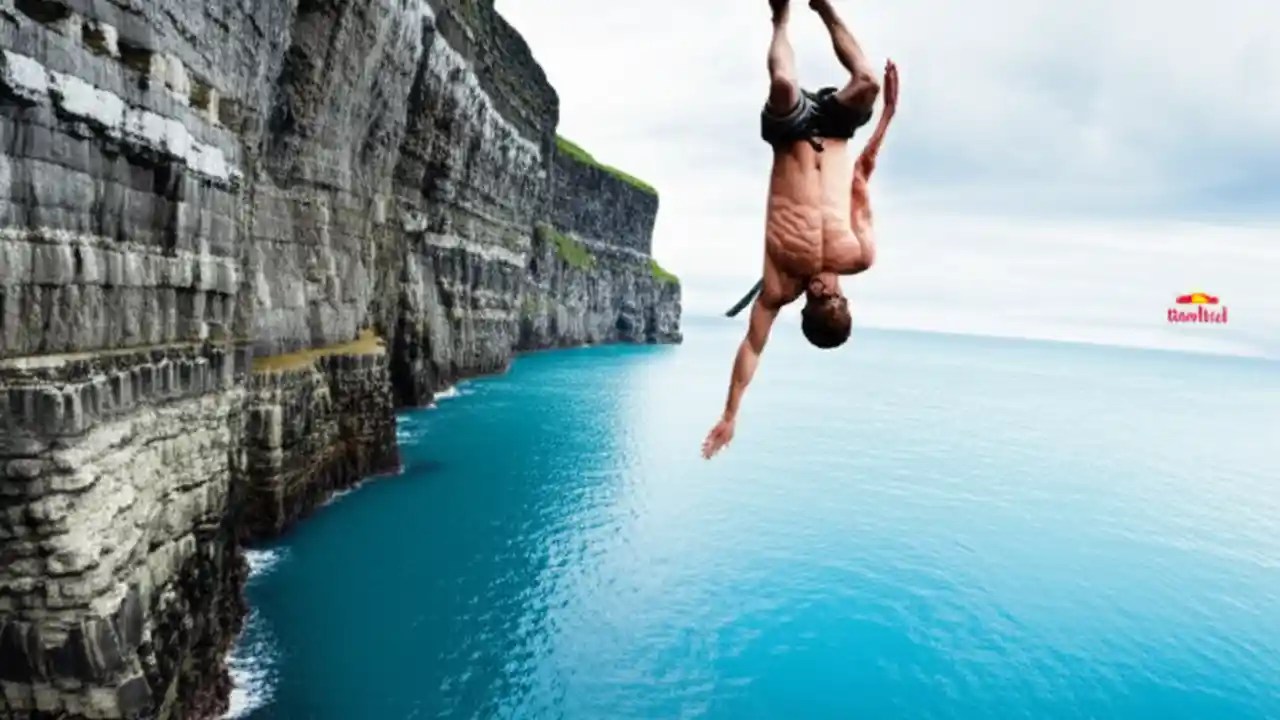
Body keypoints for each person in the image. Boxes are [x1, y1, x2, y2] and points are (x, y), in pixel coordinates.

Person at [702, 0, 899, 460]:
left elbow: (752, 347)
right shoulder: (859, 254)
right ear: (843, 297)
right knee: (867, 82)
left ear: (805, 306)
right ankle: (822, 7)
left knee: (784, 83)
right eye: (831, 294)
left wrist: (730, 414)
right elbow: (862, 174)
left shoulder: (778, 286)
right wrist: (886, 115)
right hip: (833, 132)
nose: (821, 286)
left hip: (790, 134)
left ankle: (781, 19)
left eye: (816, 298)